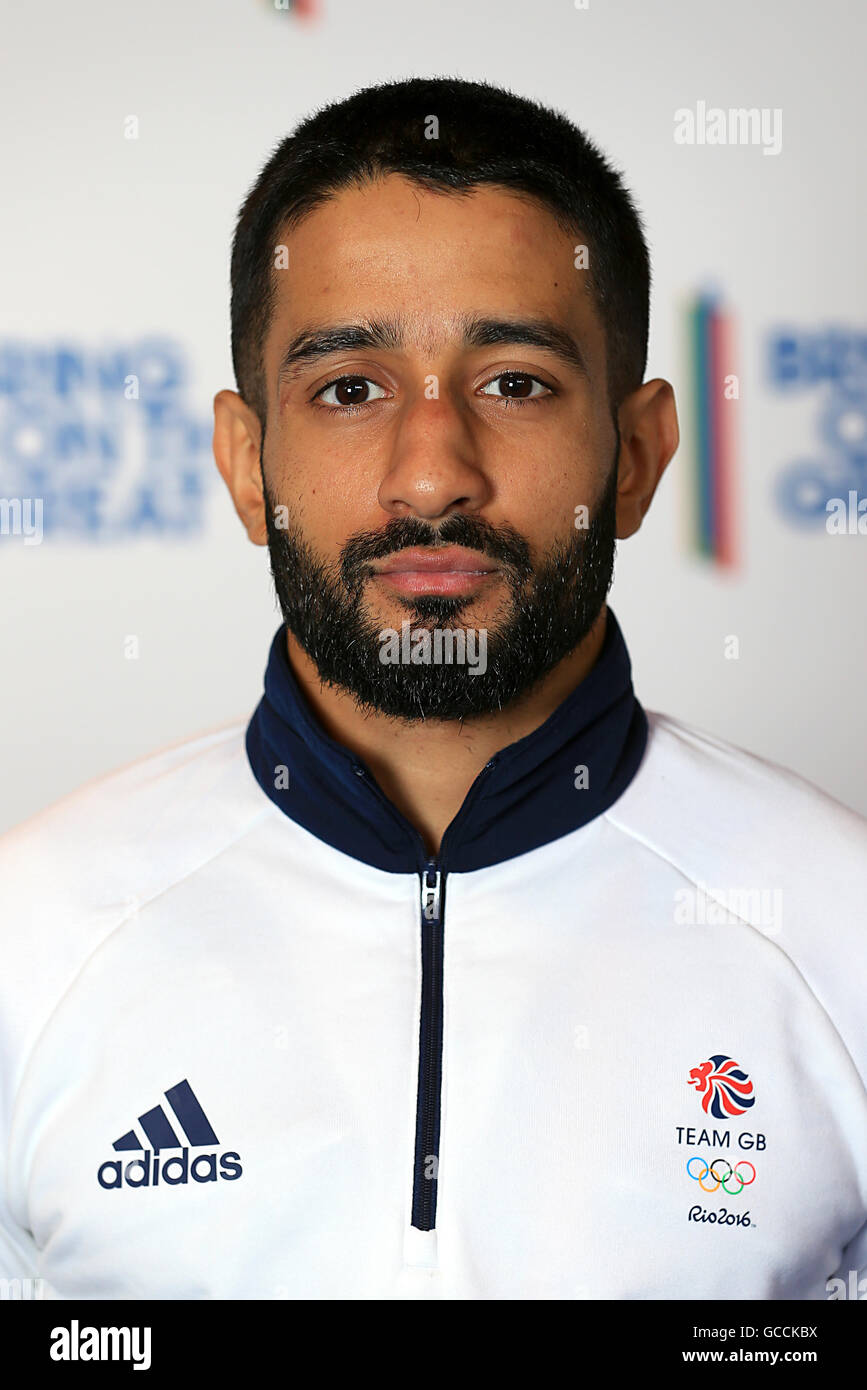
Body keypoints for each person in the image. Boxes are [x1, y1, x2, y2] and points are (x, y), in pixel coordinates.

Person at [1, 76, 865, 1301]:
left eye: (514, 380)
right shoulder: (31, 940)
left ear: (640, 453)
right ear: (248, 466)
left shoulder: (841, 934)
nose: (431, 474)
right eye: (349, 387)